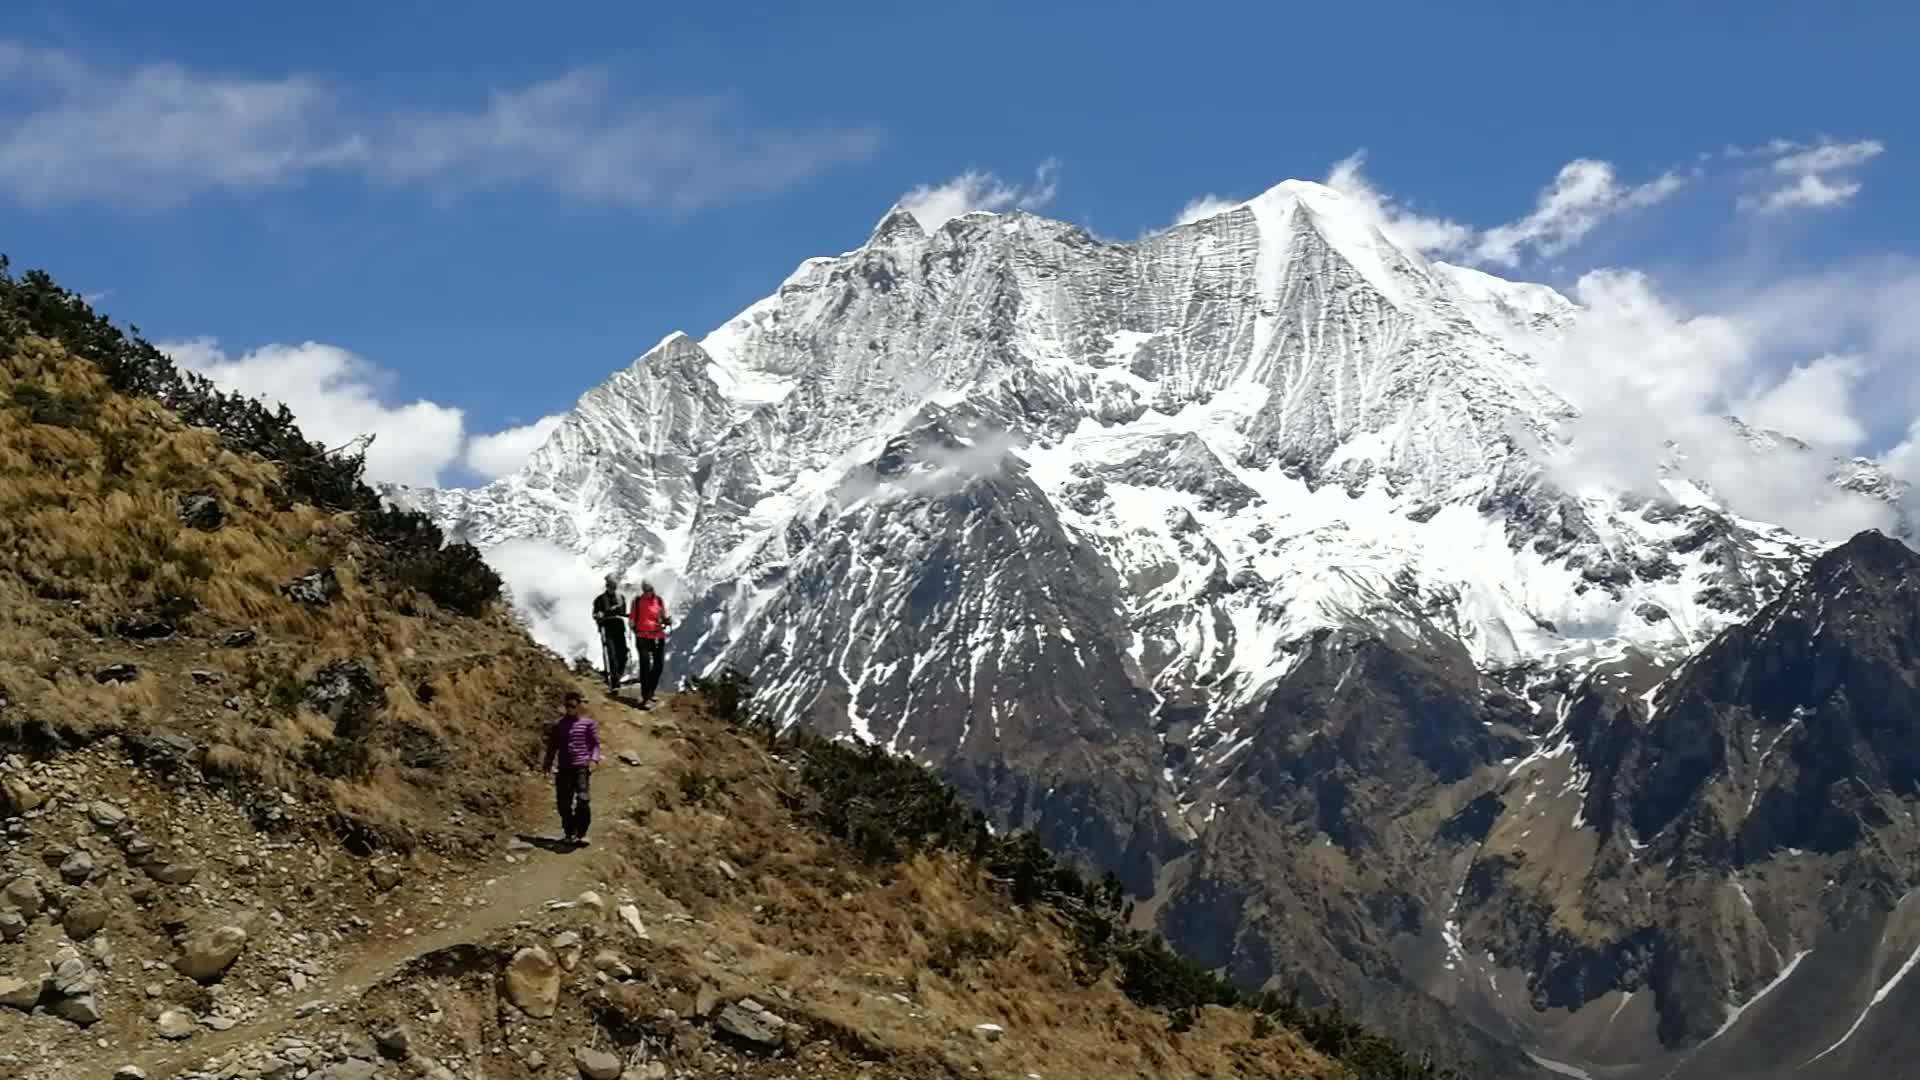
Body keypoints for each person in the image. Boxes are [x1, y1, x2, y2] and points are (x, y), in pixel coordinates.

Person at [543, 689, 602, 847]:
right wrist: (547, 765)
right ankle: (569, 832)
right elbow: (552, 747)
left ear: (579, 706)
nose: (570, 709)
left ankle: (581, 832)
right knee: (563, 803)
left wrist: (594, 760)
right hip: (564, 768)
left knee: (583, 799)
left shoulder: (587, 724)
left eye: (573, 706)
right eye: (568, 706)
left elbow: (595, 744)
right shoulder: (559, 725)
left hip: (581, 767)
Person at [628, 580, 673, 707]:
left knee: (658, 665)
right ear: (643, 590)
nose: (649, 593)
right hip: (642, 636)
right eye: (646, 590)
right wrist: (632, 624)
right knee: (645, 664)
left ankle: (651, 691)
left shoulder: (659, 601)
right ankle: (645, 695)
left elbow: (662, 617)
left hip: (657, 636)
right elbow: (632, 617)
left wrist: (666, 621)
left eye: (650, 590)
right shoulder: (637, 601)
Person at [592, 575, 628, 692]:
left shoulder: (621, 597)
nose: (612, 588)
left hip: (619, 628)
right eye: (611, 586)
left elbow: (623, 612)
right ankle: (614, 681)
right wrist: (599, 615)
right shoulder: (600, 600)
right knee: (611, 654)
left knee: (622, 654)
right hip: (607, 628)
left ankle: (618, 676)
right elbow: (595, 614)